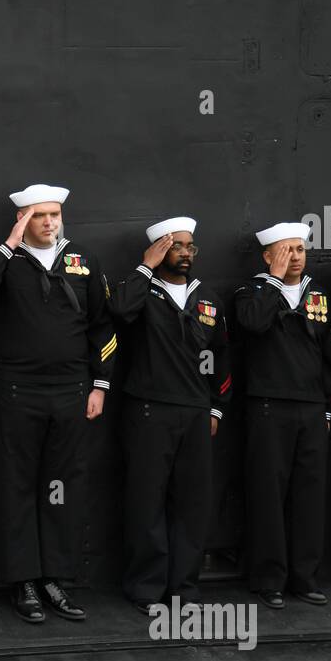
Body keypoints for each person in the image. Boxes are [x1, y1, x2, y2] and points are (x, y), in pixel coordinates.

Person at [0, 184, 115, 623]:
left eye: (55, 215)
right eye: (39, 216)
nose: (49, 223)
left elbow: (102, 328)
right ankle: (23, 580)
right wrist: (10, 244)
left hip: (70, 391)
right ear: (22, 221)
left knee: (62, 486)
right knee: (16, 486)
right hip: (16, 391)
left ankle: (55, 578)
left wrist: (100, 384)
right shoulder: (6, 261)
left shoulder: (83, 261)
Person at [110, 216, 230, 613]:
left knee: (192, 504)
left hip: (195, 414)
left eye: (188, 247)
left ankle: (184, 588)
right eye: (174, 246)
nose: (183, 253)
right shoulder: (143, 291)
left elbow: (221, 359)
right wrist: (145, 266)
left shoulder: (207, 298)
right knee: (147, 502)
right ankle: (147, 588)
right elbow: (118, 311)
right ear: (159, 250)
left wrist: (214, 406)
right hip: (149, 410)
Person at [234, 222, 331, 609]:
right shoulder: (251, 292)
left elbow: (330, 352)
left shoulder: (319, 294)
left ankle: (305, 577)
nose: (295, 257)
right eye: (286, 250)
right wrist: (275, 281)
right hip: (268, 405)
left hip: (311, 408)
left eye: (300, 249)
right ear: (268, 256)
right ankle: (268, 578)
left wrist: (328, 405)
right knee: (268, 494)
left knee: (310, 495)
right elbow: (252, 324)